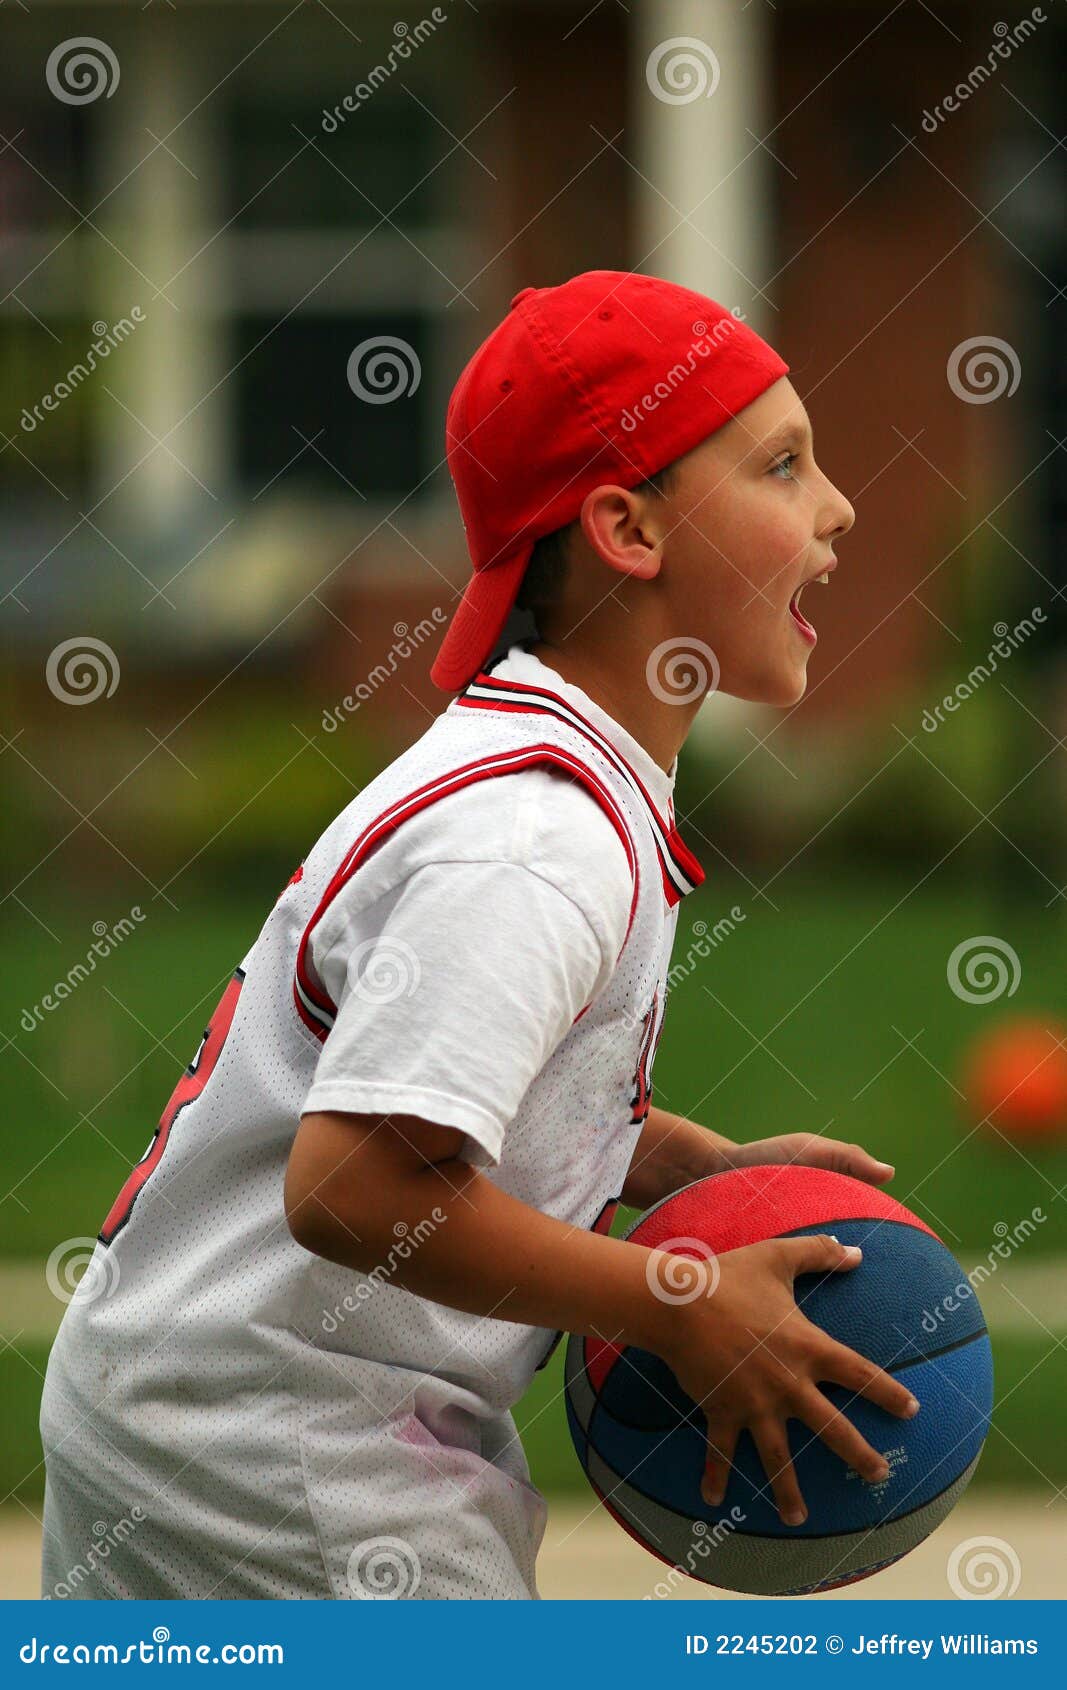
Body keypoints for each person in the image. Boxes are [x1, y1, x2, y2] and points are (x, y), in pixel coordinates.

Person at [40, 270, 917, 1601]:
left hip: (210, 1414)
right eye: (784, 464)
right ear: (628, 529)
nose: (838, 505)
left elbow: (467, 1101)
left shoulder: (560, 776)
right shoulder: (537, 841)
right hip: (284, 1456)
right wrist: (678, 1293)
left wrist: (683, 1160)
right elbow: (354, 1187)